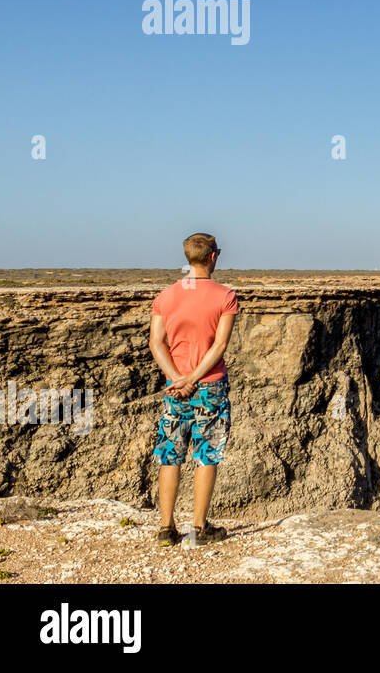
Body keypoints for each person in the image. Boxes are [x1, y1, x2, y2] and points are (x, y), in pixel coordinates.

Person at [148, 233, 238, 546]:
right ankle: (199, 527)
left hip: (175, 389)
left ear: (188, 257)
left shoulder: (166, 295)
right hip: (209, 386)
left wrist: (176, 378)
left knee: (171, 453)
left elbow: (156, 343)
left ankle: (165, 528)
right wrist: (194, 379)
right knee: (206, 453)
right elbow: (220, 345)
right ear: (214, 256)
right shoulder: (225, 295)